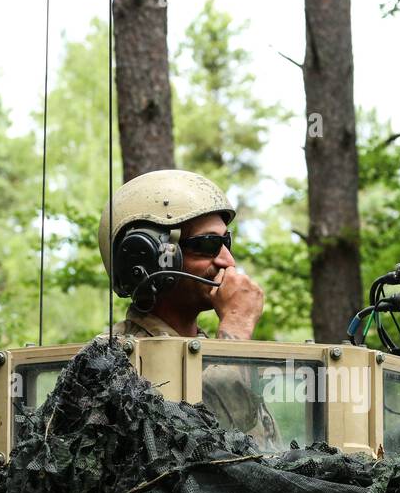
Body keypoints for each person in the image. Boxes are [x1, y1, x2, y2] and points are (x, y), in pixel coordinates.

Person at [97, 170, 277, 445]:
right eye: (208, 245)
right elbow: (201, 444)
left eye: (225, 242)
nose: (228, 261)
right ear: (150, 257)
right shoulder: (112, 361)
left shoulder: (210, 355)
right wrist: (237, 324)